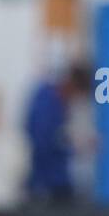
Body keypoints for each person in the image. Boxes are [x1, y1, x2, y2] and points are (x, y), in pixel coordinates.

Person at [25, 64, 93, 206]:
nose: (75, 99)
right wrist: (72, 144)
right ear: (72, 85)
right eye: (77, 94)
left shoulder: (58, 102)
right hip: (46, 183)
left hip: (59, 181)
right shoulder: (46, 99)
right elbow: (42, 139)